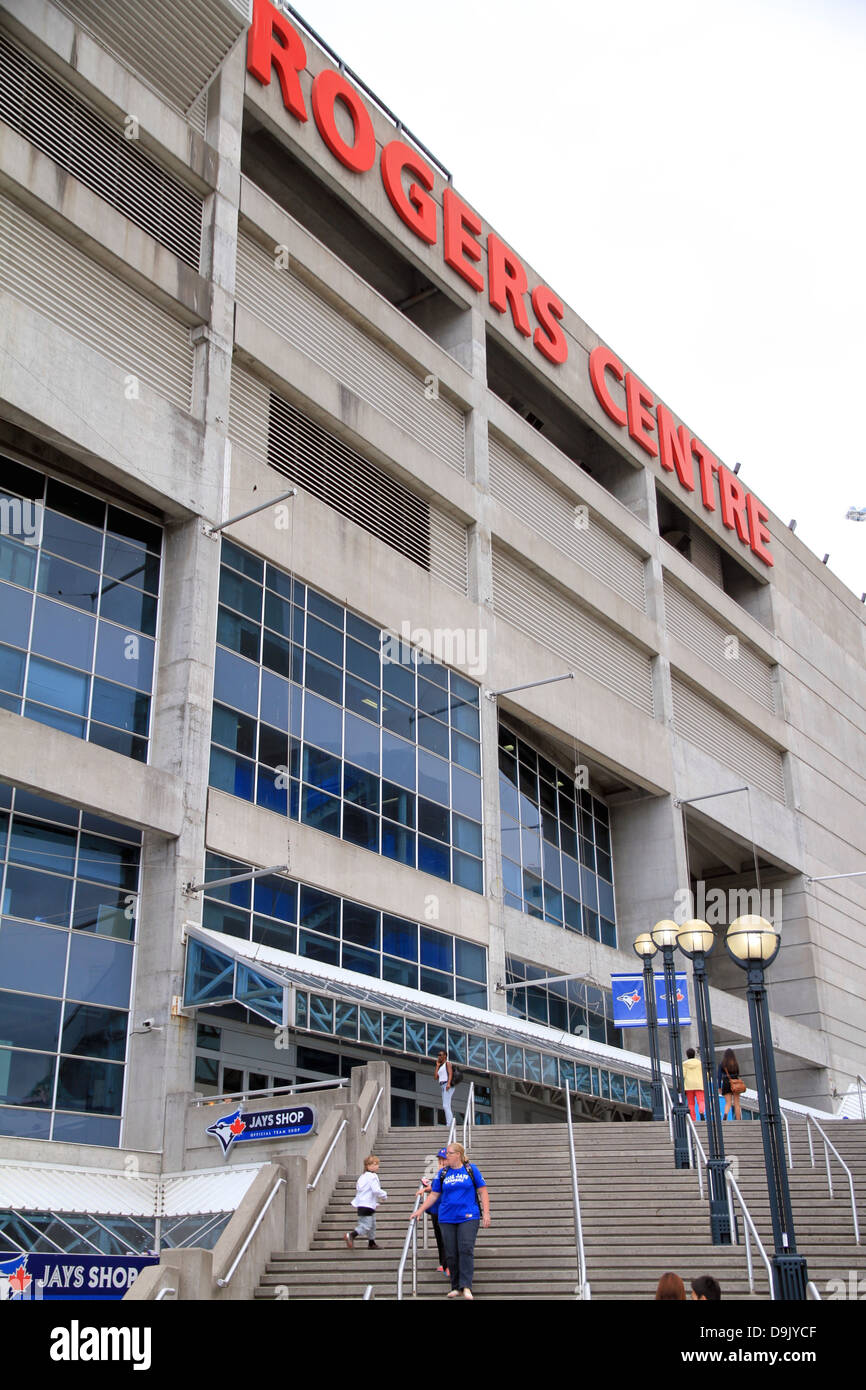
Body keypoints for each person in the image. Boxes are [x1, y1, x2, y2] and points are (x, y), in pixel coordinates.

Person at [412, 1141, 490, 1298]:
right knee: (451, 1253)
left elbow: (482, 1191)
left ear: (458, 1155)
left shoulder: (470, 1169)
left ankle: (466, 1285)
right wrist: (420, 1210)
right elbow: (434, 1194)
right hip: (447, 1217)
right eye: (446, 1154)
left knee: (465, 1248)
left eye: (449, 1153)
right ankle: (456, 1286)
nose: (446, 1156)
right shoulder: (443, 1173)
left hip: (468, 1216)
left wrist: (486, 1214)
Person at [416, 1147, 450, 1275]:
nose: (441, 1161)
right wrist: (424, 1189)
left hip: (446, 1209)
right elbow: (435, 1187)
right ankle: (443, 1262)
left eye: (444, 1159)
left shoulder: (451, 1173)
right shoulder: (438, 1172)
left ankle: (448, 1264)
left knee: (447, 1237)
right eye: (440, 1159)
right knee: (439, 1237)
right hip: (436, 1209)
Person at [345, 1154, 387, 1250]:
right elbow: (376, 1190)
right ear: (367, 1166)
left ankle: (371, 1243)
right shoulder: (372, 1177)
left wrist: (374, 1202)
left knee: (372, 1224)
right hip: (367, 1205)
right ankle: (351, 1235)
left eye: (376, 1164)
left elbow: (363, 1190)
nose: (376, 1166)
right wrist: (384, 1195)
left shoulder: (363, 1176)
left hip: (364, 1204)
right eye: (373, 1164)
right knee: (366, 1225)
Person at [719, 1048, 742, 1121]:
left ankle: (725, 1114)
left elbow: (719, 1076)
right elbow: (738, 1073)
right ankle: (738, 1119)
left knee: (728, 1102)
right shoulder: (735, 1063)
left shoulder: (722, 1064)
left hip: (726, 1083)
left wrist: (719, 1087)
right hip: (735, 1083)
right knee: (737, 1103)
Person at [683, 1047, 705, 1121]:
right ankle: (701, 1112)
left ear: (687, 1055)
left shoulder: (684, 1064)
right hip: (699, 1084)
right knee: (701, 1101)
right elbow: (705, 1074)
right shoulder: (700, 1063)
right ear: (694, 1054)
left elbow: (683, 1075)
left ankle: (693, 1119)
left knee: (691, 1103)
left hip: (689, 1086)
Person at [434, 1050, 455, 1127]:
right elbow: (436, 1077)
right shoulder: (440, 1066)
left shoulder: (448, 1063)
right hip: (442, 1086)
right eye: (438, 1055)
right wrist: (437, 1065)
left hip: (447, 1084)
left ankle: (449, 1123)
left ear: (445, 1056)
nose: (439, 1056)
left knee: (445, 1105)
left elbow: (450, 1073)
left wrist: (449, 1083)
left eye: (440, 1055)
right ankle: (450, 1122)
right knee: (447, 1105)